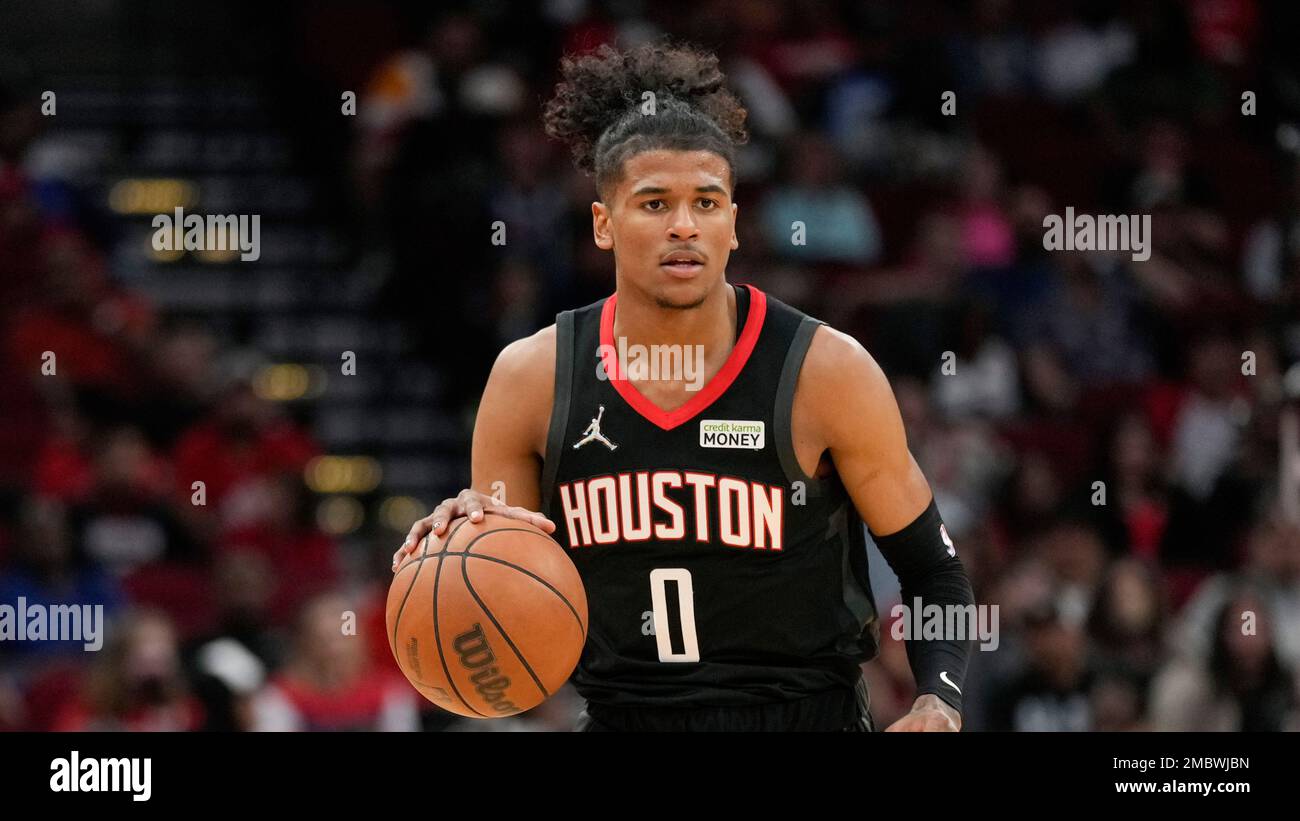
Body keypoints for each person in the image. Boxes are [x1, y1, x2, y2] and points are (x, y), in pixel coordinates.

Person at [394, 42, 974, 732]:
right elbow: (507, 604)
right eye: (653, 202)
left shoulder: (826, 370)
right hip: (624, 715)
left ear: (733, 222)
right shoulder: (531, 379)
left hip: (802, 716)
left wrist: (938, 699)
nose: (683, 226)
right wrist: (461, 547)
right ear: (603, 224)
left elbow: (934, 572)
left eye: (707, 202)